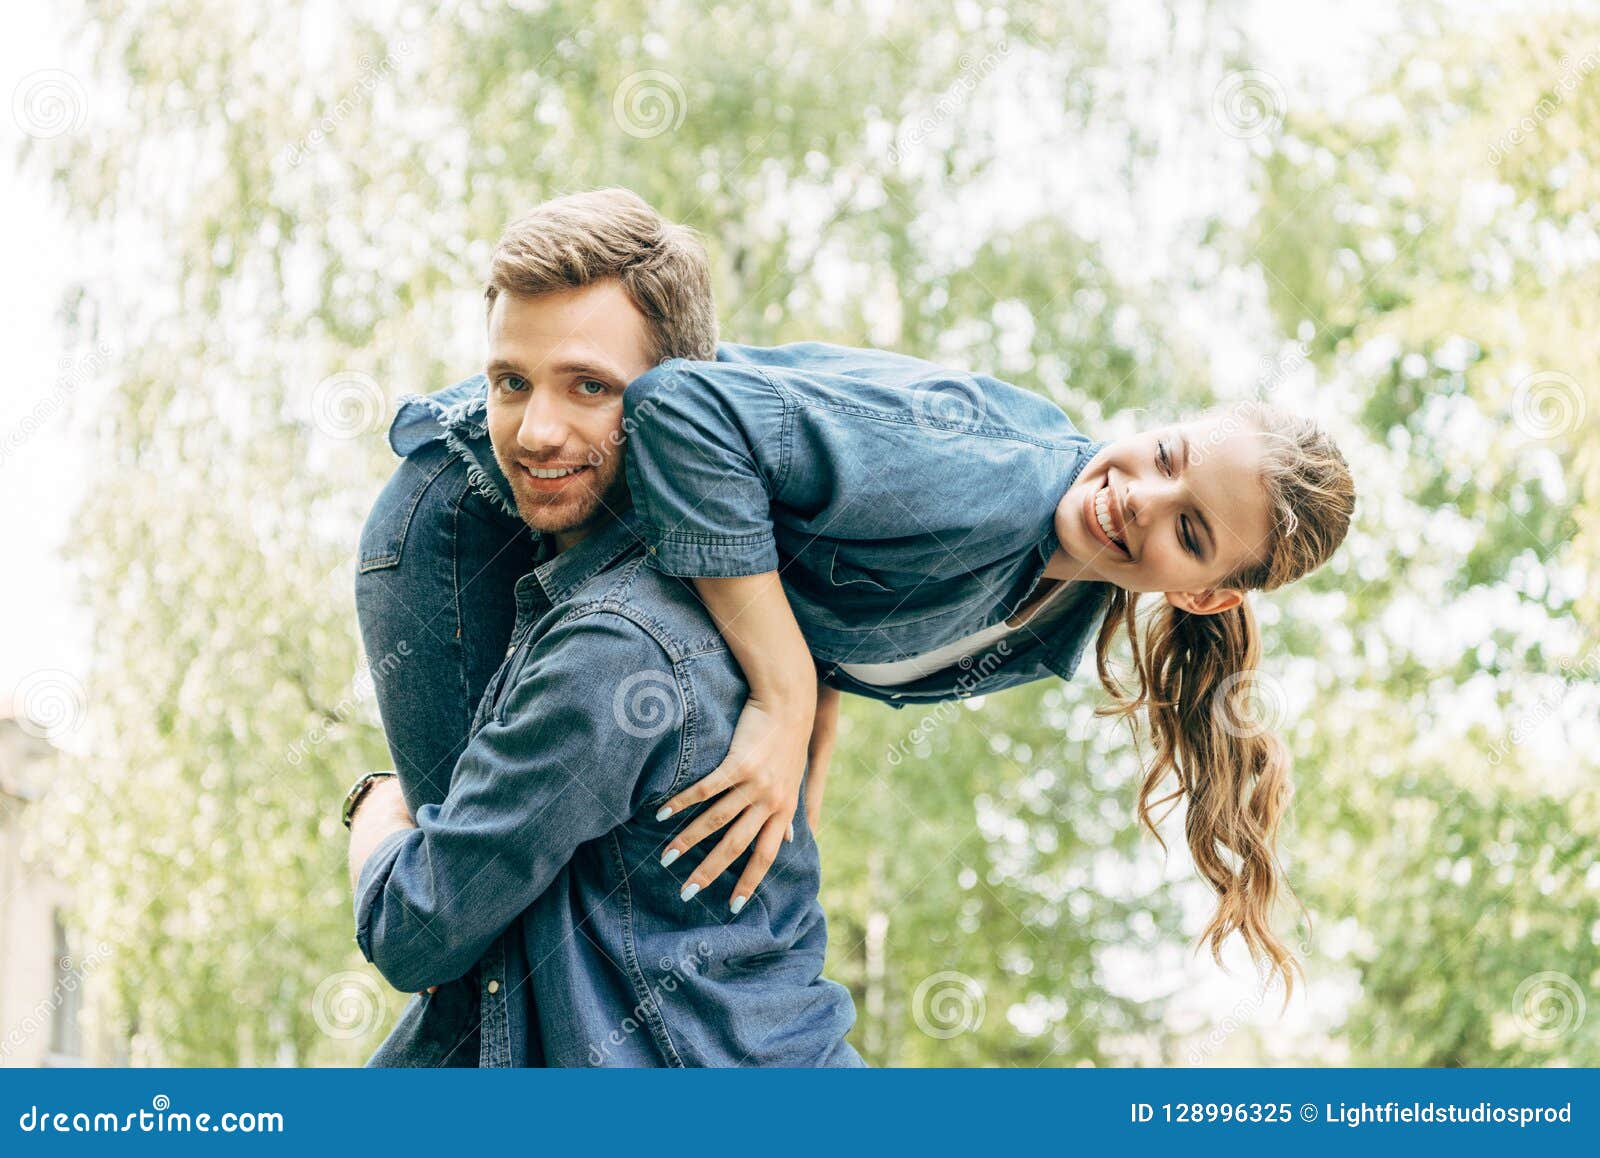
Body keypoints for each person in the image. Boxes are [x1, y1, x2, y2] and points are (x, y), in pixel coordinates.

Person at [347, 188, 861, 1066]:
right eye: (511, 383)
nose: (538, 431)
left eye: (590, 387)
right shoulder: (741, 600)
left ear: (676, 402)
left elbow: (419, 928)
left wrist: (377, 806)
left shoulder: (611, 650)